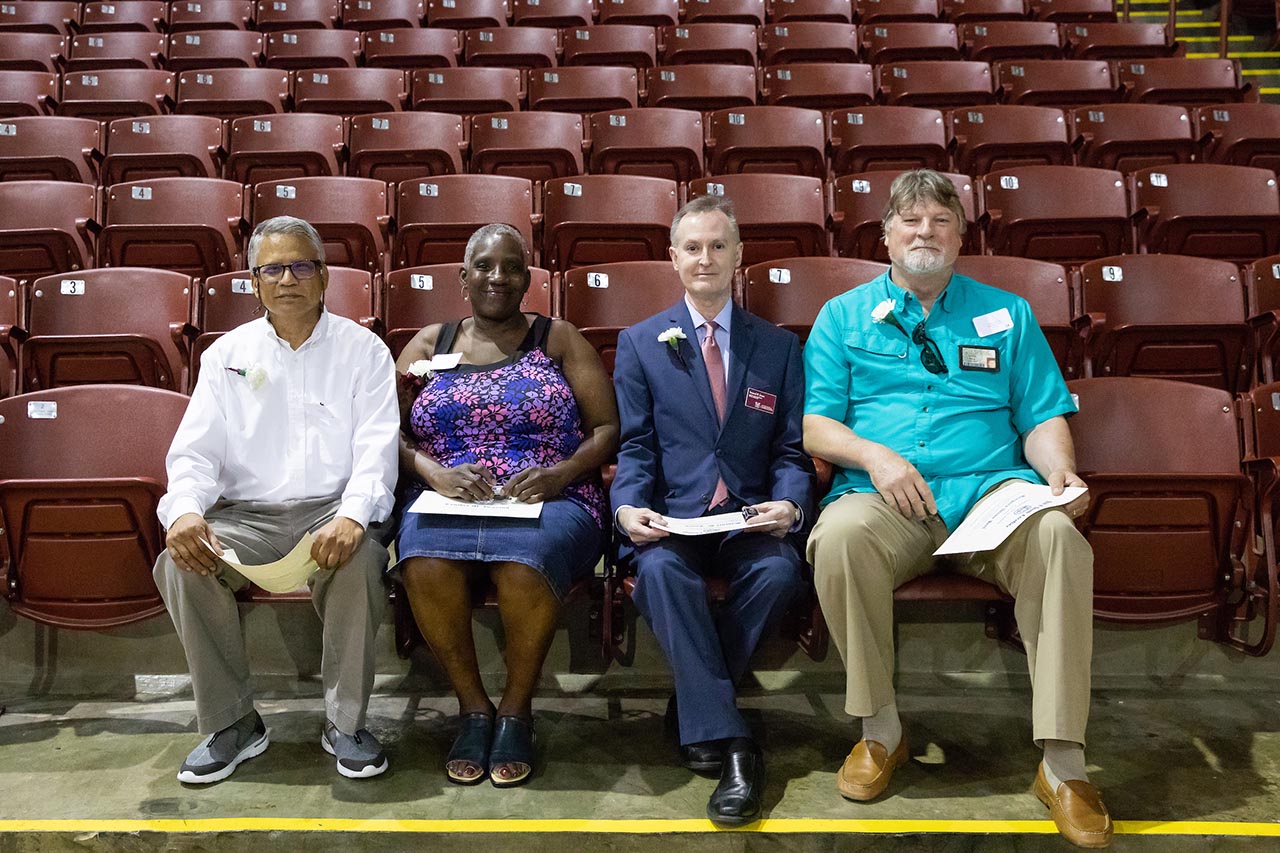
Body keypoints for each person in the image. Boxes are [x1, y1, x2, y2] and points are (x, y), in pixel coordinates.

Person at [803, 170, 1110, 848]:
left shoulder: (1008, 314)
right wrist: (875, 457)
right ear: (885, 236)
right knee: (839, 538)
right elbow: (817, 426)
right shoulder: (842, 315)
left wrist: (1058, 470)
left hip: (990, 494)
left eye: (940, 221)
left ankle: (1063, 765)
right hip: (888, 498)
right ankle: (881, 731)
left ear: (961, 237)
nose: (924, 232)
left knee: (1059, 536)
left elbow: (1042, 414)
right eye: (910, 221)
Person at [154, 215, 399, 784]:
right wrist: (185, 510)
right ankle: (233, 722)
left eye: (301, 265)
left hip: (330, 509)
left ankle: (346, 722)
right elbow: (195, 453)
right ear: (254, 280)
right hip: (247, 518)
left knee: (361, 561)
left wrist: (352, 515)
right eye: (272, 268)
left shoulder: (363, 351)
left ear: (324, 276)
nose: (287, 278)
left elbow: (376, 451)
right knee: (182, 563)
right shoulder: (226, 354)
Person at [611, 195, 815, 827]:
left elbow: (790, 447)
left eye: (718, 246)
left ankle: (700, 706)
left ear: (738, 256)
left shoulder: (777, 348)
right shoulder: (641, 343)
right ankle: (735, 745)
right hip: (675, 515)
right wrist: (626, 509)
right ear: (674, 259)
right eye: (693, 247)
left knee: (780, 573)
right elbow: (636, 447)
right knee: (663, 573)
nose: (706, 258)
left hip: (748, 516)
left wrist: (790, 503)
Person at [394, 223, 618, 789]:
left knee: (525, 562)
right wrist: (432, 472)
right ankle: (473, 708)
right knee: (421, 558)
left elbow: (607, 428)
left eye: (512, 267)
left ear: (527, 278)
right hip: (447, 495)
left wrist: (562, 471)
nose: (499, 277)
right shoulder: (428, 344)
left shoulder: (558, 338)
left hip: (551, 495)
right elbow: (387, 435)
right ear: (463, 277)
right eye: (486, 266)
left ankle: (516, 711)